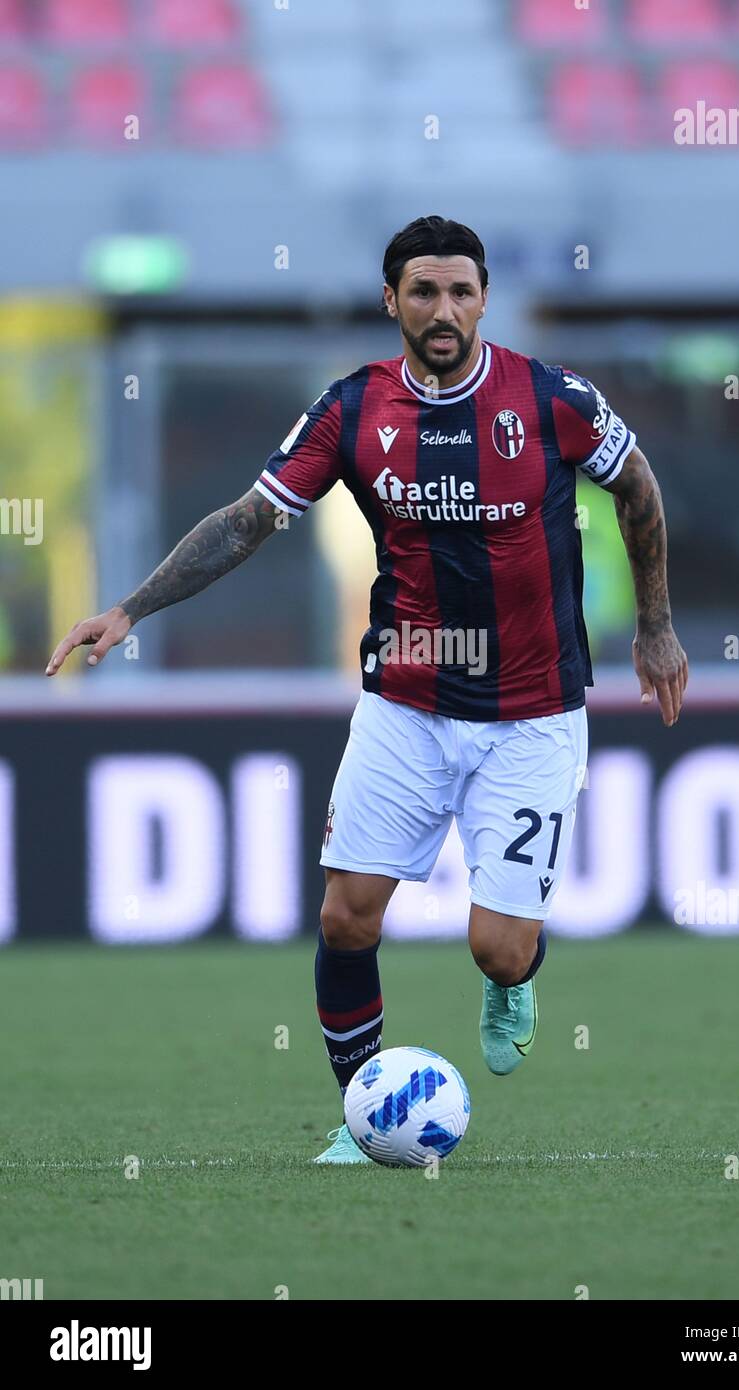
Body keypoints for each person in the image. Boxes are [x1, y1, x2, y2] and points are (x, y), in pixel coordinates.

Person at [46, 215, 687, 1164]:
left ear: (483, 300)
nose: (444, 310)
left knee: (498, 947)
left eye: (461, 291)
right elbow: (245, 523)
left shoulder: (552, 399)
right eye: (423, 292)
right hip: (408, 706)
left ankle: (515, 980)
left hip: (534, 712)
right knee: (347, 914)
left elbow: (638, 488)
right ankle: (364, 1111)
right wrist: (132, 610)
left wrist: (657, 625)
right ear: (392, 300)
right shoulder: (351, 412)